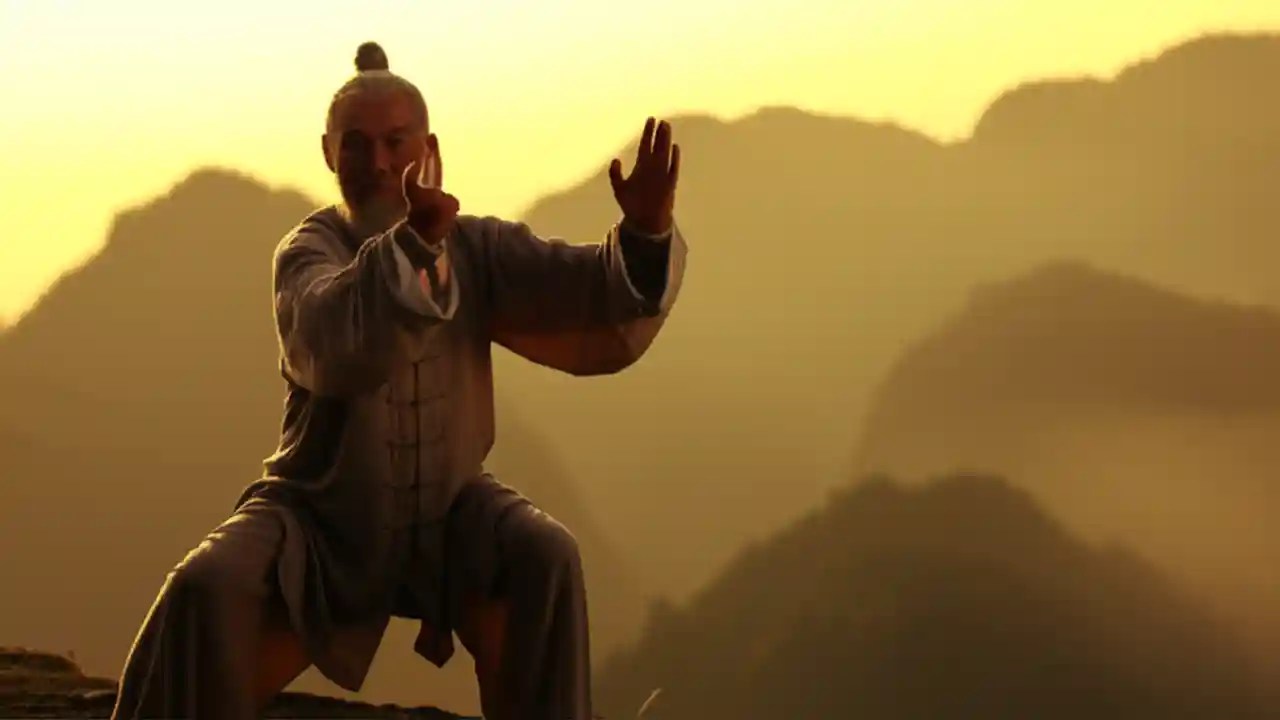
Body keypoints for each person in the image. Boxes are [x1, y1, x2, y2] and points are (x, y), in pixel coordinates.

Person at [109, 40, 687, 720]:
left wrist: (646, 233)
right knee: (205, 585)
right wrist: (413, 245)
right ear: (329, 154)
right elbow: (334, 338)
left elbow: (583, 289)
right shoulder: (306, 253)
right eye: (356, 145)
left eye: (394, 141)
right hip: (317, 516)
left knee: (547, 555)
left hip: (452, 508)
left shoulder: (476, 248)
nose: (378, 163)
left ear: (429, 147)